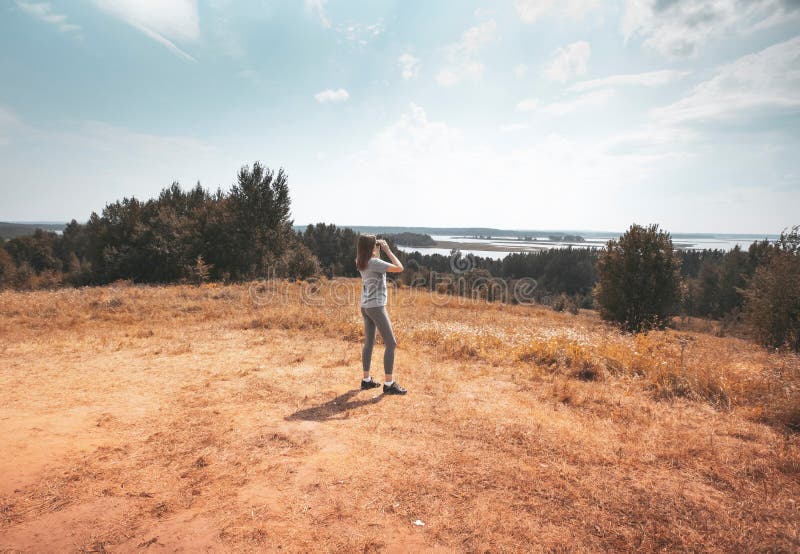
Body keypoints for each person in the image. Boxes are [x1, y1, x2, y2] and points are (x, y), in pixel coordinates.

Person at [355, 234, 407, 395]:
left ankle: (366, 380)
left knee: (369, 343)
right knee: (391, 344)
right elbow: (399, 268)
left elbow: (373, 262)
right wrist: (387, 250)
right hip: (376, 306)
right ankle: (389, 383)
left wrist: (375, 250)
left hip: (365, 306)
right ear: (372, 247)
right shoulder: (375, 262)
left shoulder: (360, 261)